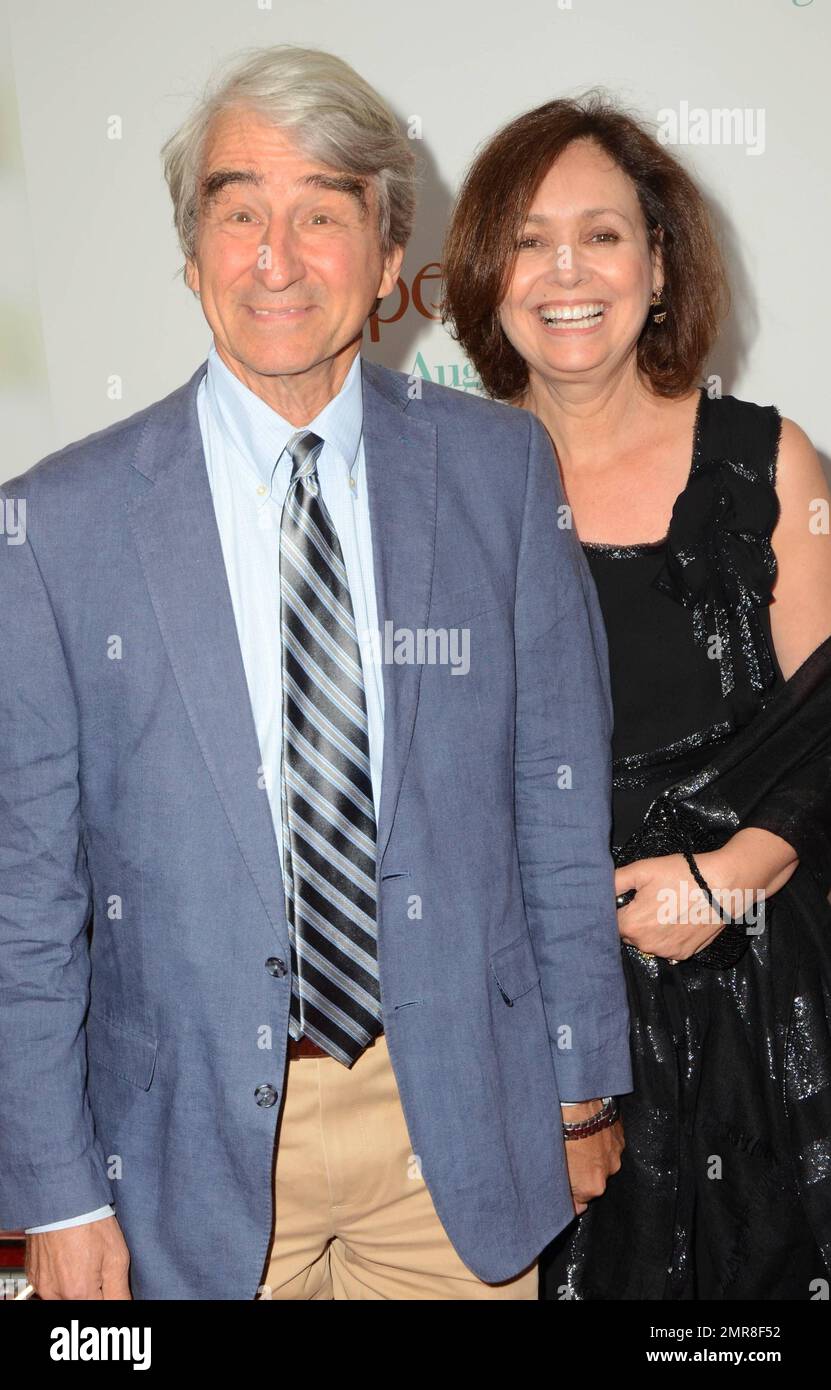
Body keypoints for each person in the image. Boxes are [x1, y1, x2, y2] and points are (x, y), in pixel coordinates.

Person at [0, 49, 631, 1301]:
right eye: (238, 212)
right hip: (179, 1157)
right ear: (192, 254)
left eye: (321, 213)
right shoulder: (54, 526)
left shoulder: (501, 477)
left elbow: (557, 812)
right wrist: (53, 1189)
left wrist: (580, 1084)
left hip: (456, 1124)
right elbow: (26, 896)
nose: (274, 256)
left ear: (391, 257)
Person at [441, 91, 831, 1299]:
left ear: (659, 267)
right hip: (542, 1025)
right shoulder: (438, 483)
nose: (566, 269)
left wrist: (731, 877)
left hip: (765, 1002)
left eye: (603, 234)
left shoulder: (766, 462)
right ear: (487, 278)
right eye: (529, 237)